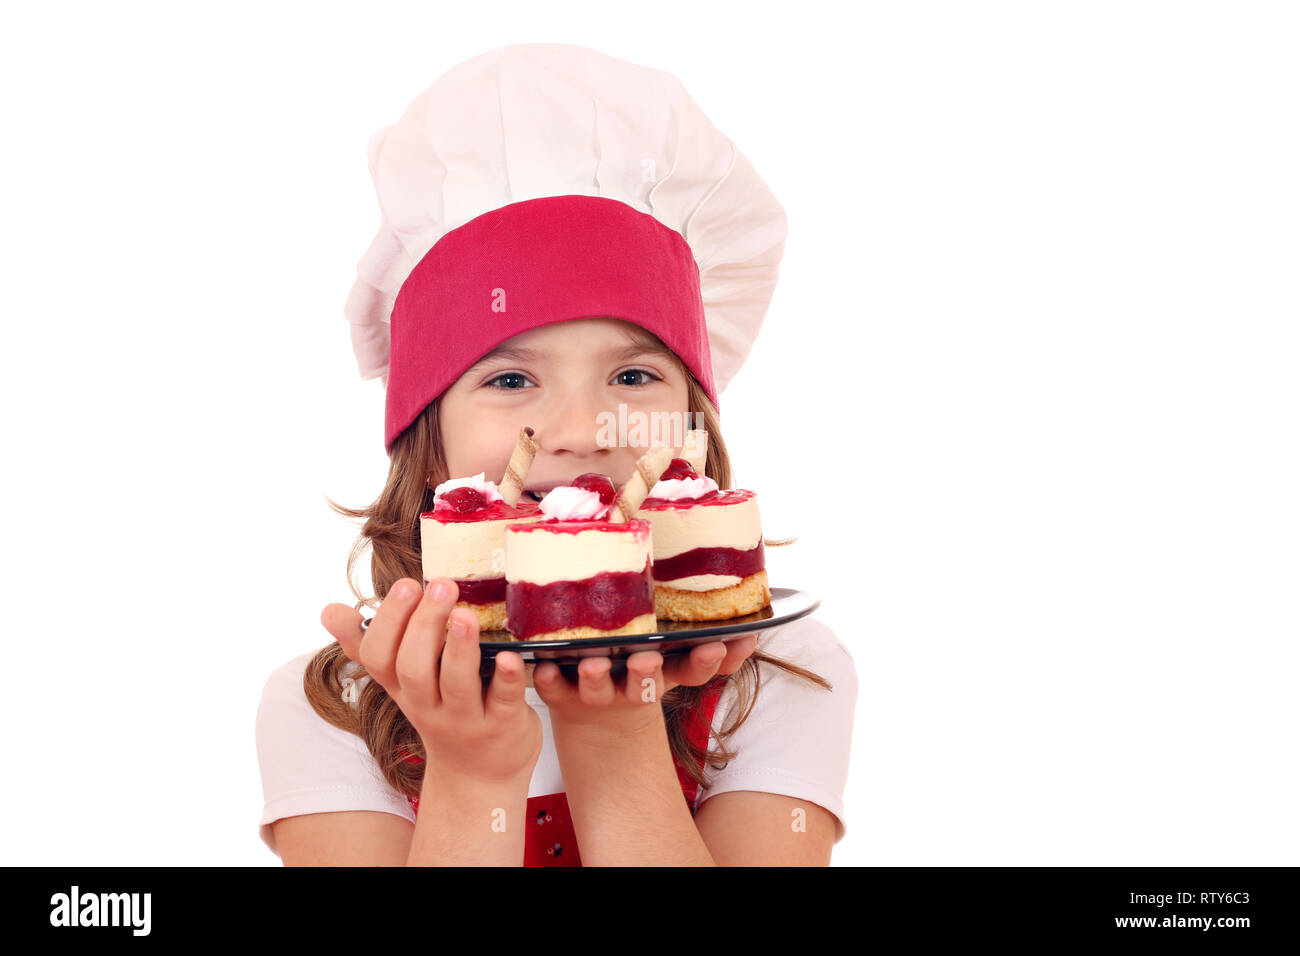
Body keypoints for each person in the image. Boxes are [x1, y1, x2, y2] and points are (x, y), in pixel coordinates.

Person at [255, 43, 857, 866]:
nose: (582, 427)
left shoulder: (777, 676)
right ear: (425, 439)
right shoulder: (334, 707)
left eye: (635, 374)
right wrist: (471, 775)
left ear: (689, 425)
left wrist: (612, 736)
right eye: (509, 378)